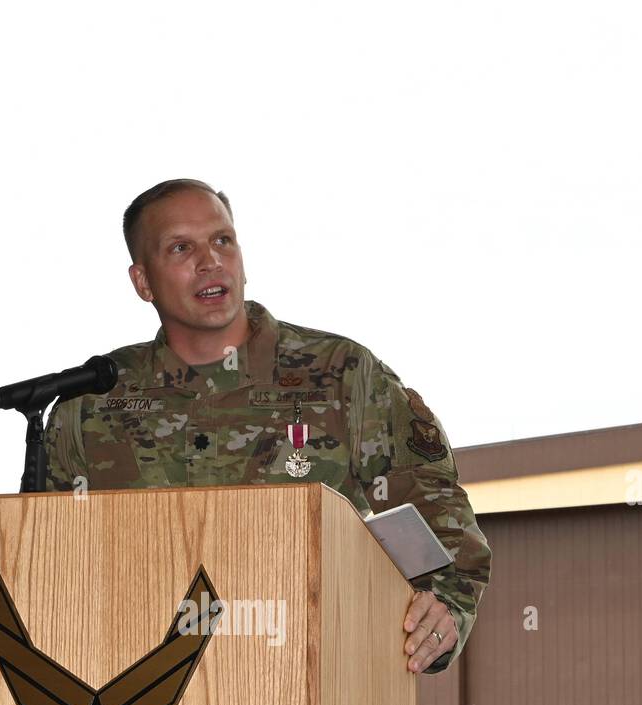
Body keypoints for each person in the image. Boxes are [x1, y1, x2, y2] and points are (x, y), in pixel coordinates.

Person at [45, 178, 491, 674]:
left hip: (308, 674)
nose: (211, 261)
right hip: (136, 684)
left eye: (223, 240)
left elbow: (437, 514)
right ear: (143, 281)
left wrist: (443, 608)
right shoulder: (92, 403)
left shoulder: (343, 375)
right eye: (181, 248)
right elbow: (46, 559)